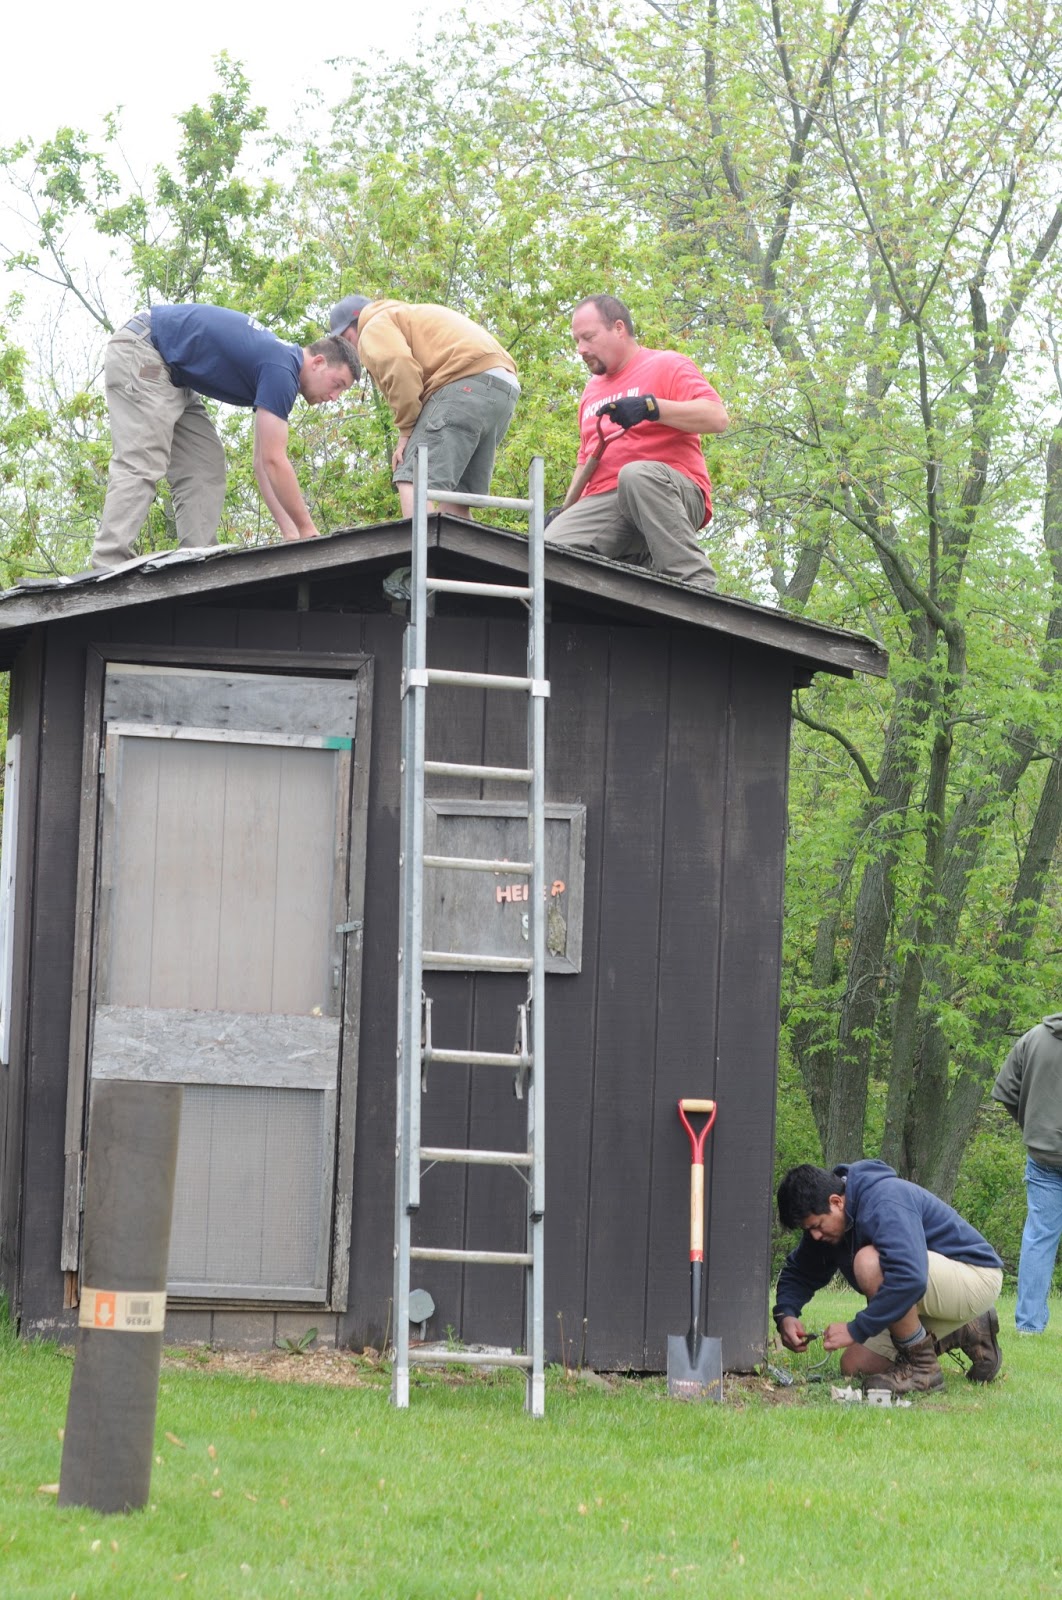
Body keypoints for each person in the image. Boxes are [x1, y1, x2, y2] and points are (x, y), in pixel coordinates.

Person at [92, 305, 359, 569]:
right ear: (319, 362)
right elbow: (274, 461)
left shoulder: (280, 364)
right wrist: (309, 532)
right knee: (142, 459)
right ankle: (108, 561)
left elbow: (262, 464)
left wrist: (291, 533)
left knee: (204, 462)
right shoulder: (283, 370)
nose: (334, 397)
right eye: (338, 385)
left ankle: (196, 557)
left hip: (175, 373)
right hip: (145, 350)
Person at [544, 294, 729, 589]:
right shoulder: (591, 392)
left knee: (635, 475)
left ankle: (695, 584)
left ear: (619, 328)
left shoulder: (667, 364)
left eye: (588, 337)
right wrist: (563, 512)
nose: (581, 349)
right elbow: (585, 460)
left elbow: (717, 418)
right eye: (576, 341)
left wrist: (651, 408)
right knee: (547, 552)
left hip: (669, 492)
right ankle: (636, 582)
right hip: (608, 501)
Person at [772, 1160, 1004, 1394]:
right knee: (854, 1365)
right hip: (931, 1286)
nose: (815, 1235)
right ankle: (967, 1327)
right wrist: (786, 1314)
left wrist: (856, 1329)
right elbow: (799, 1272)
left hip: (976, 1276)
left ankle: (923, 1369)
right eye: (808, 1230)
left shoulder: (884, 1199)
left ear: (836, 1201)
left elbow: (909, 1278)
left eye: (817, 1226)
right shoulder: (828, 1223)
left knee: (870, 1262)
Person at [328, 294, 519, 517]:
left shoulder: (372, 325)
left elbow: (401, 367)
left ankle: (421, 552)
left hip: (466, 382)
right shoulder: (407, 315)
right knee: (456, 500)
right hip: (504, 390)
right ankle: (452, 553)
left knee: (412, 478)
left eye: (344, 339)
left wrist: (405, 431)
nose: (347, 350)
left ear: (353, 326)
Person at [992, 1013, 1062, 1333]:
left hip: (1044, 1154)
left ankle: (1029, 1327)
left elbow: (1005, 1091)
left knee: (1039, 1238)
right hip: (1044, 1154)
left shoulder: (1034, 1037)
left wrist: (1029, 1125)